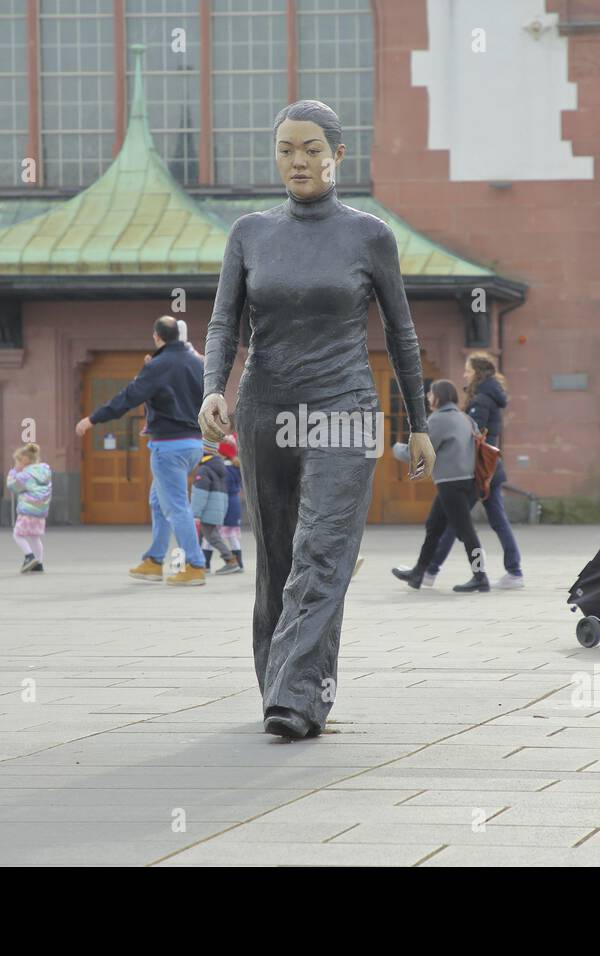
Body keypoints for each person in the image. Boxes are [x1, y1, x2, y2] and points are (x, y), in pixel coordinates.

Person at [200, 99, 435, 740]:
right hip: (264, 409)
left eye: (310, 149)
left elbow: (401, 332)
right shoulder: (249, 233)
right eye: (285, 149)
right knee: (277, 558)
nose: (297, 160)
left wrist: (418, 421)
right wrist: (211, 390)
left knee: (321, 552)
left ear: (338, 155)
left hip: (344, 410)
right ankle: (286, 688)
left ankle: (296, 697)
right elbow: (224, 321)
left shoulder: (369, 235)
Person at [77, 315, 208, 586]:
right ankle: (154, 561)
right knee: (158, 502)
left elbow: (128, 397)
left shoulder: (158, 365)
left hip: (169, 447)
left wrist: (93, 419)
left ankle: (195, 565)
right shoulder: (198, 362)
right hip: (194, 443)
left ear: (157, 337)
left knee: (176, 507)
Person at [423, 352, 523, 589]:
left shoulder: (480, 400)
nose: (464, 374)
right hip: (490, 470)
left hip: (478, 472)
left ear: (477, 373)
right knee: (495, 521)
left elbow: (473, 437)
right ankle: (514, 571)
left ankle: (431, 570)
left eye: (467, 370)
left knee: (454, 522)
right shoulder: (488, 396)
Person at [391, 380, 489, 593]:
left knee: (466, 531)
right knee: (434, 526)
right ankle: (418, 572)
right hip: (468, 481)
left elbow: (418, 453)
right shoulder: (465, 418)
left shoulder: (438, 420)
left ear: (439, 397)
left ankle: (480, 577)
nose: (427, 397)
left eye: (430, 393)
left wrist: (396, 448)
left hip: (450, 484)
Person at [192, 438, 241, 575]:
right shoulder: (218, 467)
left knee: (212, 537)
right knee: (206, 536)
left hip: (207, 510)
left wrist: (195, 512)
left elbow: (200, 494)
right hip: (216, 508)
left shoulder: (204, 469)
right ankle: (201, 564)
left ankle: (230, 561)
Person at [7, 442, 52, 573]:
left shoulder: (25, 475)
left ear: (24, 462)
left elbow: (12, 486)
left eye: (16, 462)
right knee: (34, 537)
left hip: (27, 510)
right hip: (40, 511)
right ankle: (39, 563)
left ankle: (29, 556)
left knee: (18, 534)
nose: (15, 465)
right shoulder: (44, 472)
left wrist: (12, 473)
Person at [218, 435, 244, 569]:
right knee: (232, 536)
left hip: (223, 506)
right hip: (235, 505)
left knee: (209, 536)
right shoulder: (237, 468)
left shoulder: (223, 469)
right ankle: (239, 563)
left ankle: (205, 563)